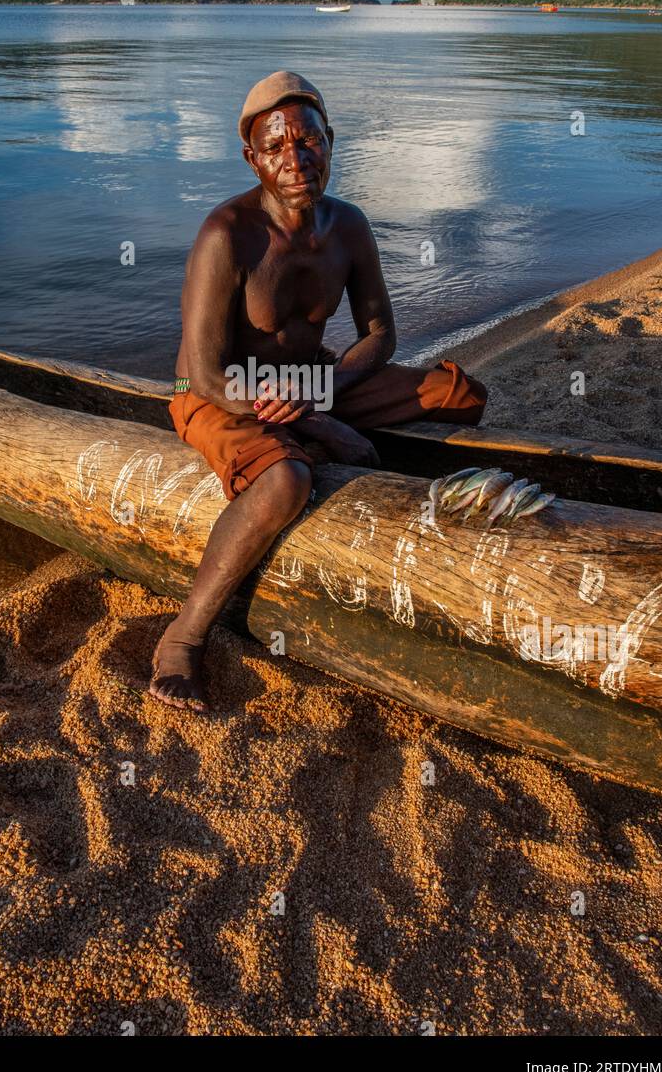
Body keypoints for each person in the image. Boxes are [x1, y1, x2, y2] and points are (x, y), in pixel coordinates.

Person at [151, 70, 487, 711]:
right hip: (221, 394)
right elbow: (201, 372)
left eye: (307, 141)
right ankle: (183, 639)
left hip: (313, 381)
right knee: (285, 483)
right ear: (252, 159)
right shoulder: (227, 236)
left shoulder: (348, 226)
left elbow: (380, 334)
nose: (295, 160)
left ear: (330, 141)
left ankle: (424, 500)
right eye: (275, 147)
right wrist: (314, 421)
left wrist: (322, 391)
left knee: (457, 393)